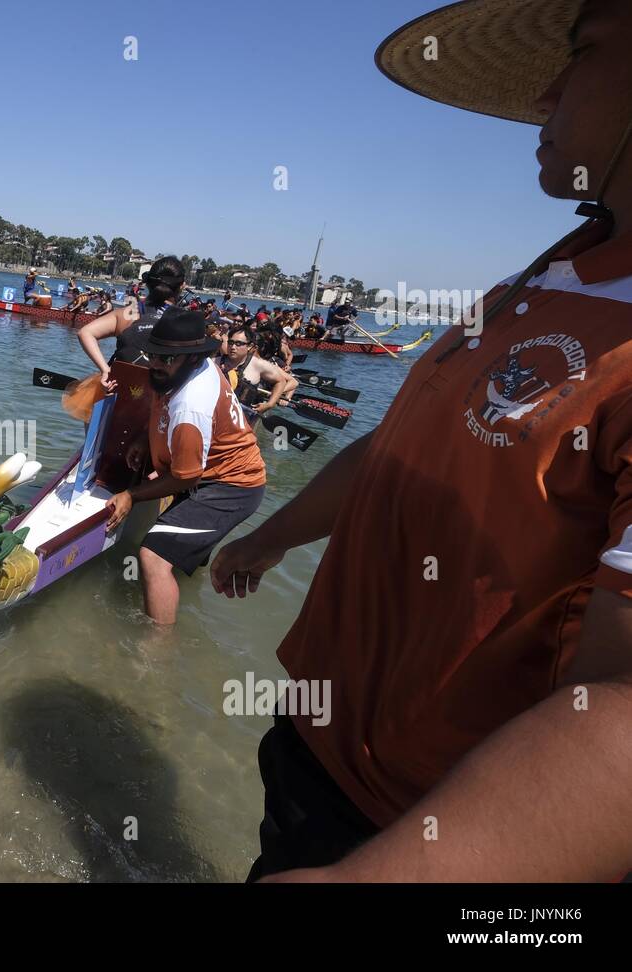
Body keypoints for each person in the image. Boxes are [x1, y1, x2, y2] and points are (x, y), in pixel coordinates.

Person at [212, 0, 632, 883]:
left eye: (584, 52)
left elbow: (621, 709)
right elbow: (402, 448)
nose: (550, 89)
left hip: (446, 827)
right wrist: (270, 536)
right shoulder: (547, 272)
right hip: (321, 741)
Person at [103, 307, 266, 625]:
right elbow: (161, 398)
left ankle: (157, 652)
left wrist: (131, 495)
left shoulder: (192, 406)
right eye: (154, 354)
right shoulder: (189, 369)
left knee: (152, 557)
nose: (156, 365)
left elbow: (183, 476)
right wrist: (143, 436)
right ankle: (190, 580)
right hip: (209, 472)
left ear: (191, 358)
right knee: (180, 553)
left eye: (166, 359)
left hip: (231, 486)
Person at [63, 255, 188, 422]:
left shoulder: (130, 313)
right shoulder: (186, 322)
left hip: (119, 397)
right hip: (159, 407)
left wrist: (105, 370)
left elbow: (85, 333)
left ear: (148, 283)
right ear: (182, 286)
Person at [222, 323, 297, 417]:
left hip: (248, 409)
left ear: (252, 347)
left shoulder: (266, 364)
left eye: (239, 344)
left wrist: (271, 401)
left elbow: (292, 382)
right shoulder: (220, 360)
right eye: (231, 343)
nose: (233, 347)